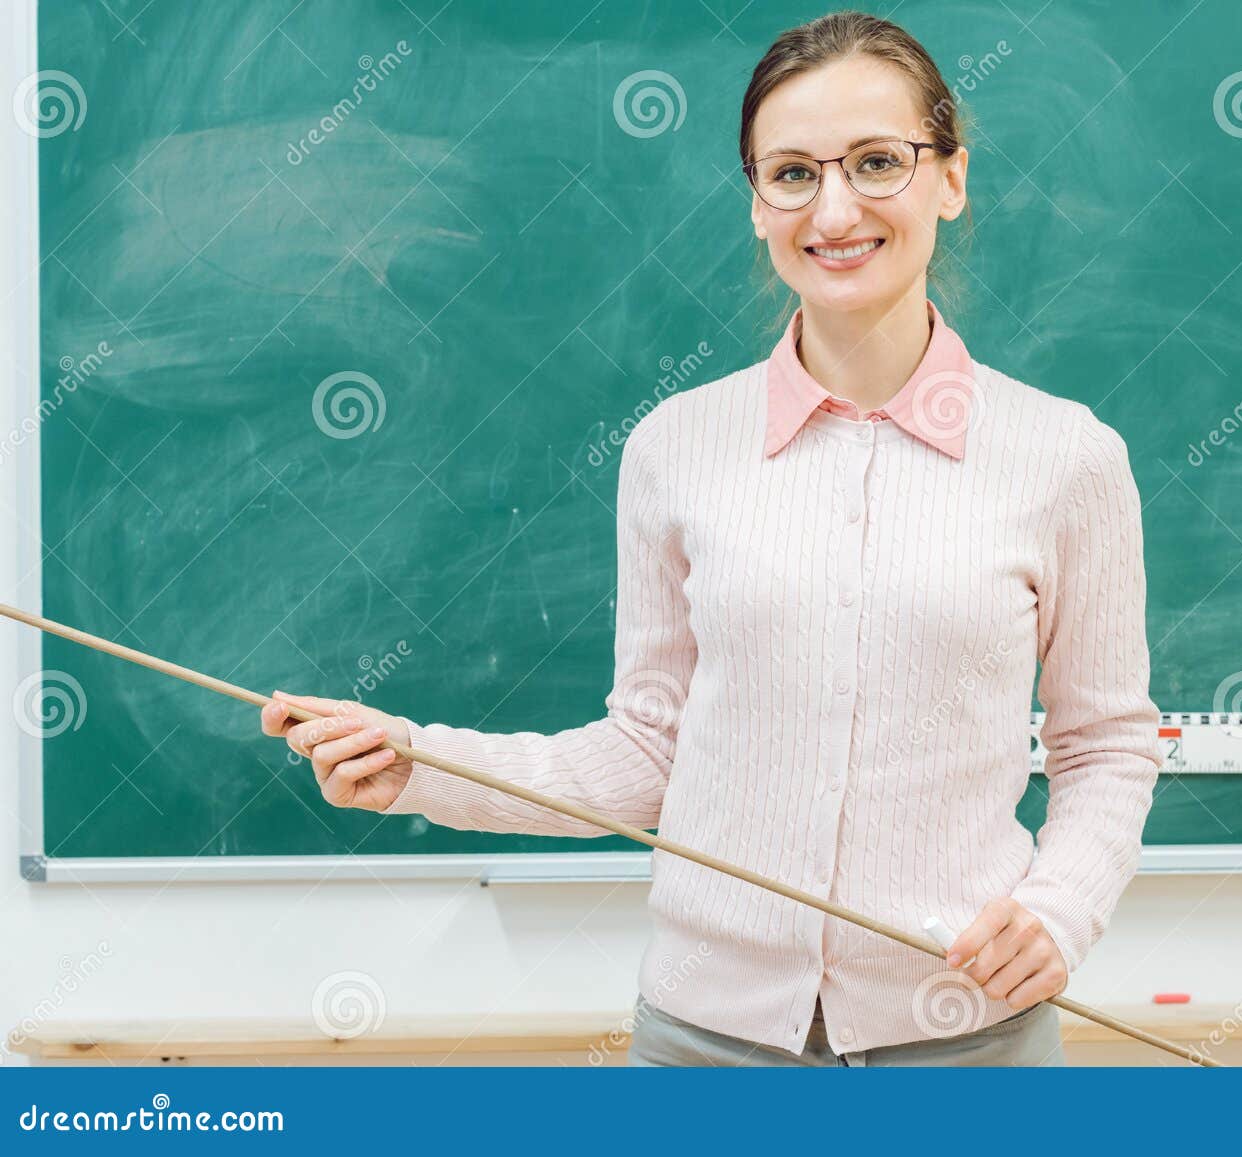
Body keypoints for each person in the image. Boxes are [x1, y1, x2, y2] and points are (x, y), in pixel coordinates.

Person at [262, 9, 1162, 1067]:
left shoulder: (1067, 457)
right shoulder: (674, 448)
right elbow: (646, 748)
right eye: (791, 173)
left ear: (950, 180)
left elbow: (1105, 743)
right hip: (704, 1045)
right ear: (755, 201)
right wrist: (418, 760)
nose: (834, 208)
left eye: (878, 162)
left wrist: (1062, 908)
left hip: (967, 1039)